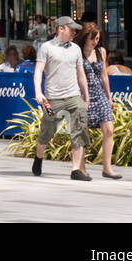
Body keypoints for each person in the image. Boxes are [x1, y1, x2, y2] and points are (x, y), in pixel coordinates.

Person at [31, 16, 91, 181]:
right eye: (71, 29)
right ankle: (39, 157)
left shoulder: (76, 49)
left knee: (79, 129)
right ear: (61, 28)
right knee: (47, 131)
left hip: (74, 96)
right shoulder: (46, 47)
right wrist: (38, 91)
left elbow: (81, 74)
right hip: (52, 99)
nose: (74, 32)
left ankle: (76, 170)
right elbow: (38, 72)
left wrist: (86, 95)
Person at [76, 22, 121, 179]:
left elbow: (104, 75)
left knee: (109, 129)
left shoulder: (101, 51)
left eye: (97, 39)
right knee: (83, 132)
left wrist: (109, 97)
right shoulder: (77, 53)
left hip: (99, 93)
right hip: (82, 94)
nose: (95, 41)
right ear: (85, 38)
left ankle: (107, 168)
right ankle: (80, 167)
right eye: (92, 38)